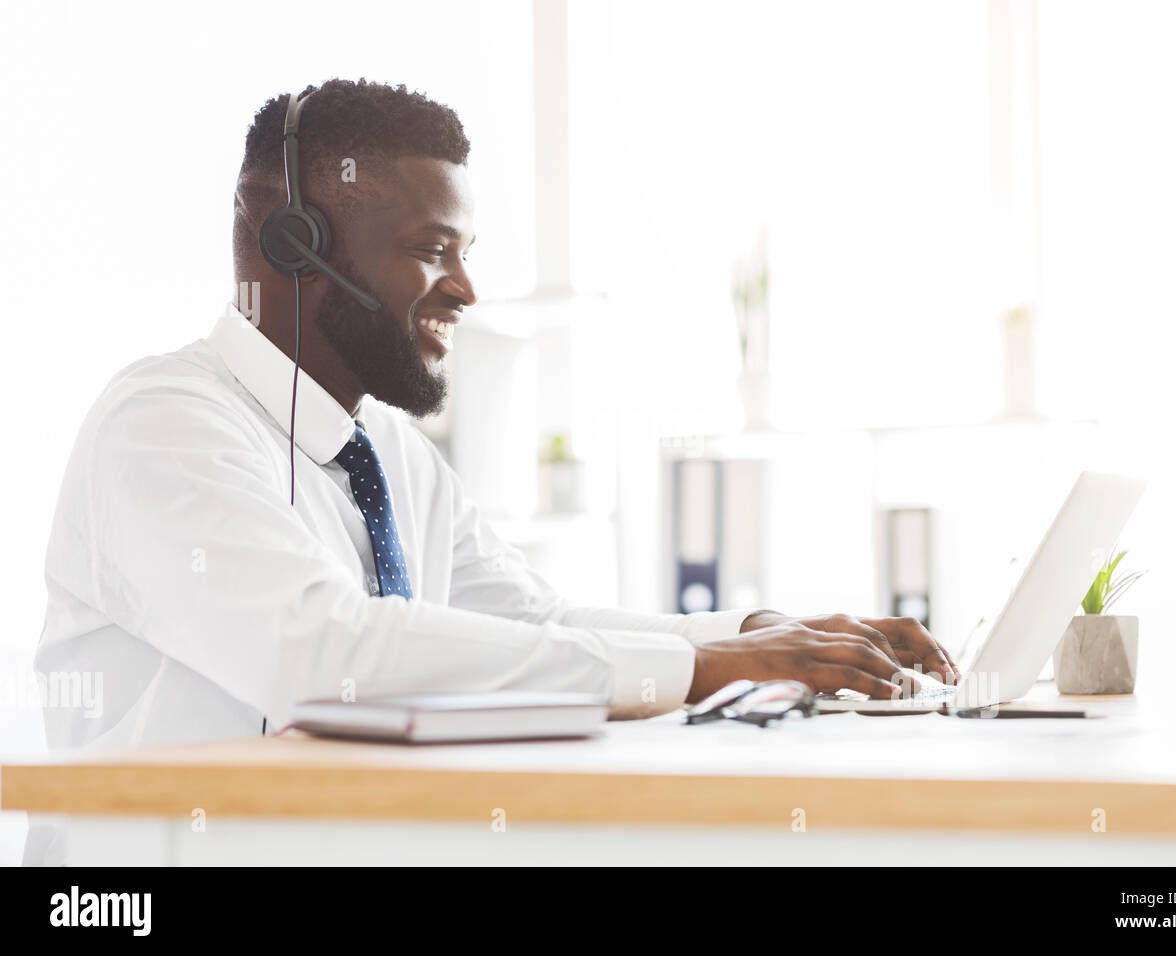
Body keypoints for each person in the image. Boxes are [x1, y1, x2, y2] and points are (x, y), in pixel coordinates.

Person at [28, 78, 957, 863]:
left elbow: (535, 620)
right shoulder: (162, 426)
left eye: (466, 255)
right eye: (434, 251)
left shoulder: (387, 455)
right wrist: (703, 667)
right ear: (295, 247)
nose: (467, 289)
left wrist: (766, 633)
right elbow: (325, 654)